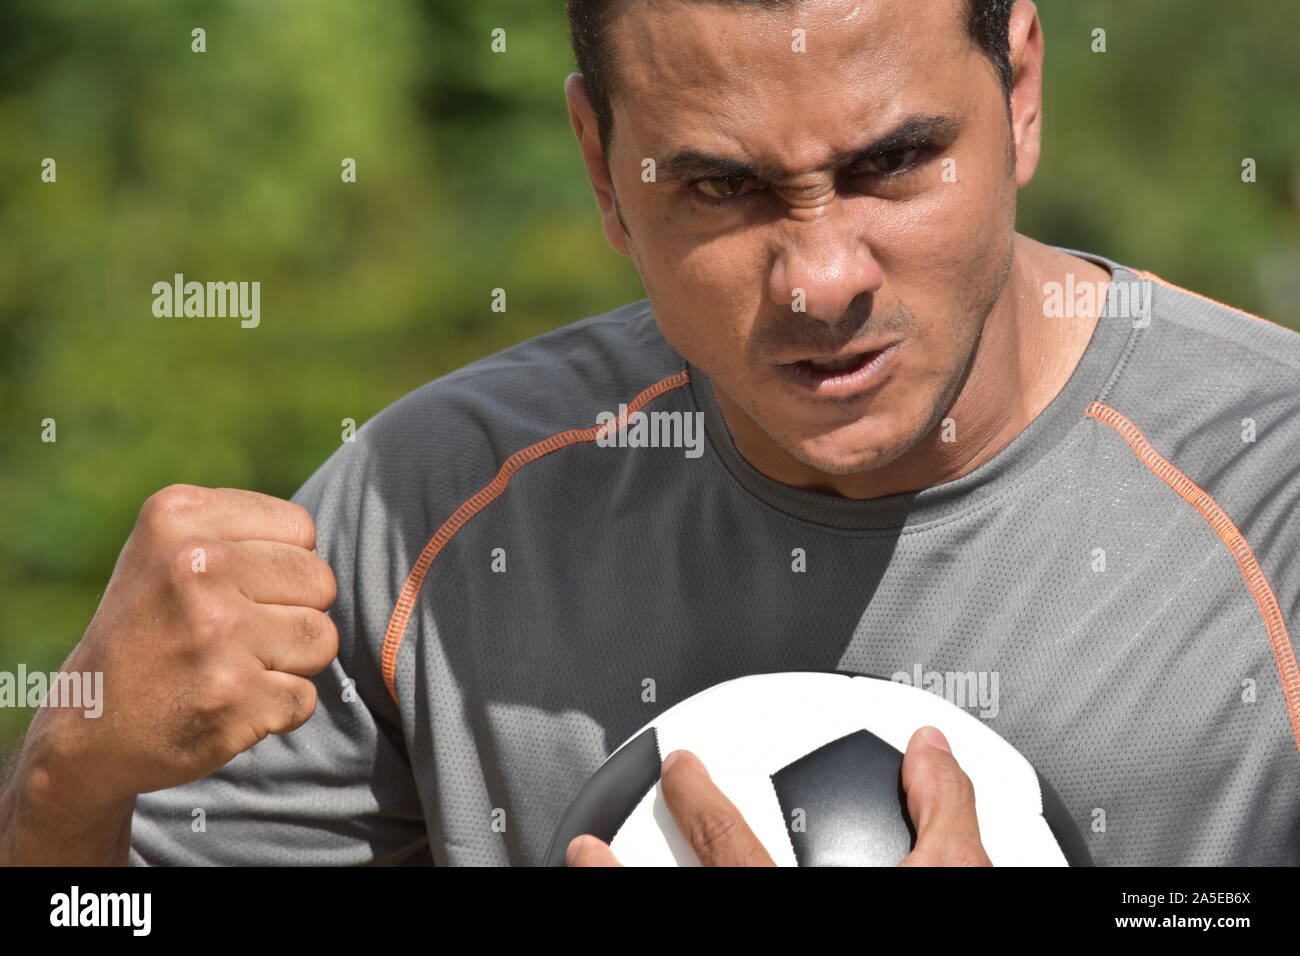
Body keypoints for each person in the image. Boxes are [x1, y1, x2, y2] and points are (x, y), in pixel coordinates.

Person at [2, 0, 1297, 867]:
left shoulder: (1272, 488)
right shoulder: (419, 513)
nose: (819, 278)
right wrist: (70, 768)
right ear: (598, 161)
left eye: (892, 164)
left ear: (1019, 87)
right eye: (721, 187)